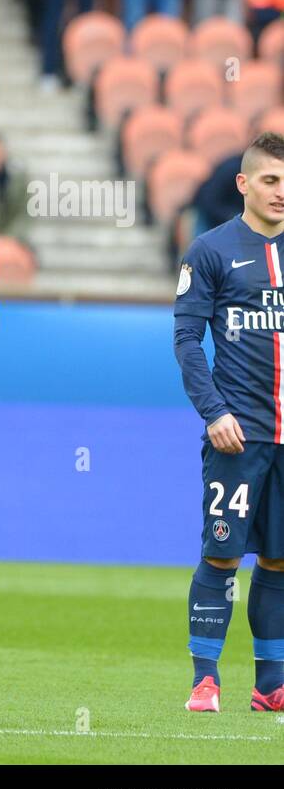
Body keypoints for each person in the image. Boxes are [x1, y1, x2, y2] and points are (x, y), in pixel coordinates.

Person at [173, 131, 284, 715]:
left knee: (279, 560)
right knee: (222, 555)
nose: (280, 192)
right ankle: (205, 680)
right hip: (238, 436)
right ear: (243, 183)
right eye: (270, 180)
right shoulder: (210, 251)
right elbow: (187, 341)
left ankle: (270, 688)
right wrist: (214, 412)